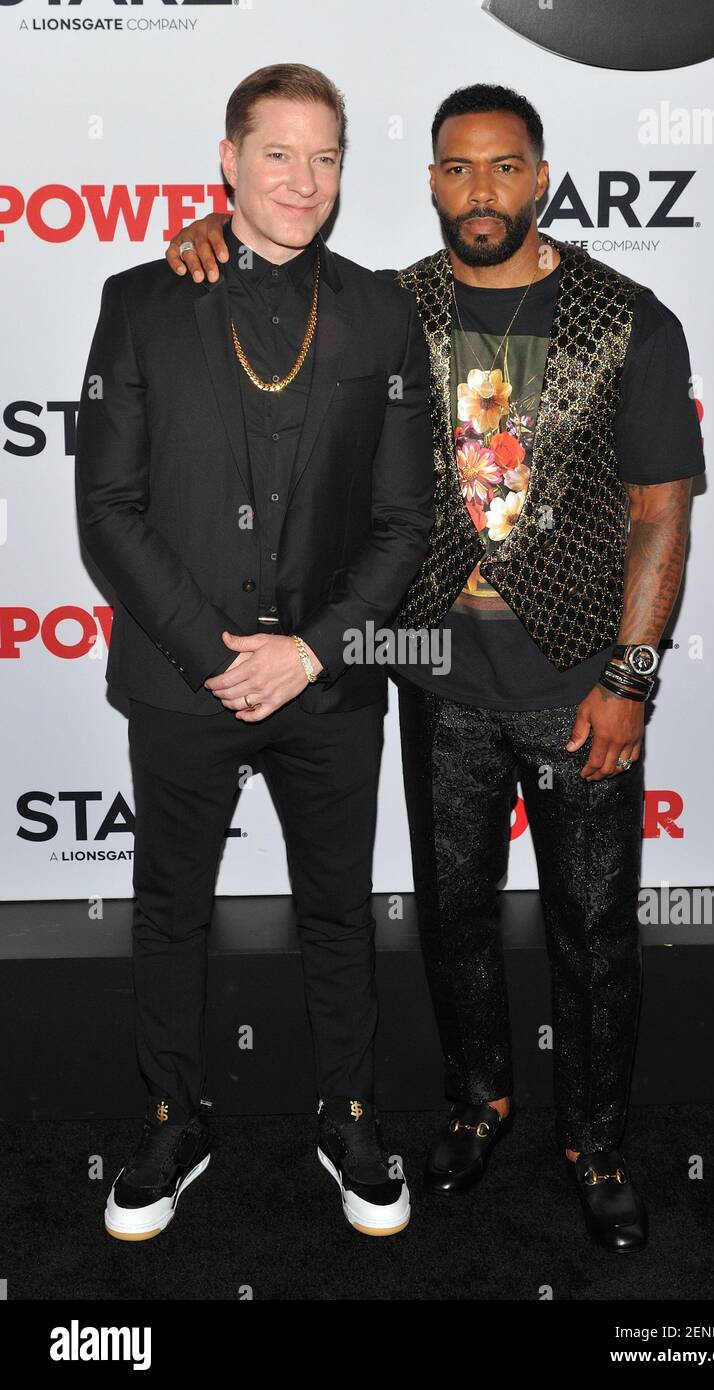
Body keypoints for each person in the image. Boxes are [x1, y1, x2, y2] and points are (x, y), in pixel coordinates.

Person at [164, 83, 705, 1253]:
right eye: (457, 170)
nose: (480, 193)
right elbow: (268, 287)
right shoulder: (387, 305)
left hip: (576, 679)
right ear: (427, 182)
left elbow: (660, 516)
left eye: (505, 168)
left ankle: (599, 1139)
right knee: (454, 915)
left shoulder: (629, 319)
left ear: (542, 175)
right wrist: (205, 240)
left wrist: (634, 675)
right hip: (431, 673)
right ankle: (479, 1104)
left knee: (595, 926)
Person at [75, 63, 434, 1241]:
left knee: (339, 909)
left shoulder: (383, 314)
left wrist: (311, 654)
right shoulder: (139, 298)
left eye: (325, 155)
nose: (304, 179)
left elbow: (402, 523)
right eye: (277, 152)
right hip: (184, 683)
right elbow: (107, 509)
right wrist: (218, 653)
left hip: (327, 691)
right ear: (227, 160)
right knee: (170, 907)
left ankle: (348, 1114)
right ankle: (176, 1117)